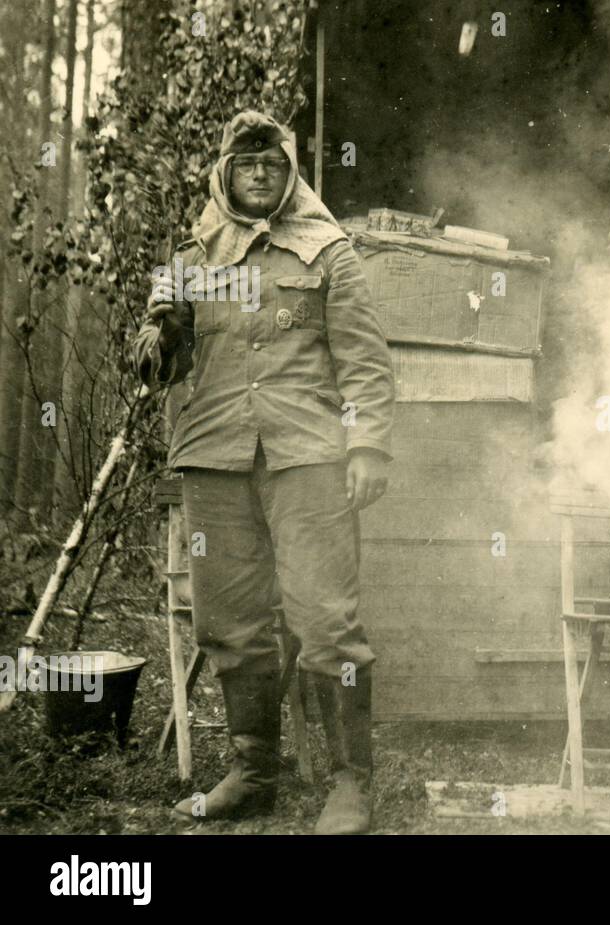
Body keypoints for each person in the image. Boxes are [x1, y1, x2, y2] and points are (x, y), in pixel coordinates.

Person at [134, 111, 396, 834]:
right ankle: (254, 773)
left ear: (290, 174)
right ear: (224, 173)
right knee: (229, 621)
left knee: (326, 620)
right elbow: (155, 358)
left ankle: (350, 782)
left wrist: (367, 443)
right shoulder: (188, 259)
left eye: (271, 164)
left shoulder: (331, 254)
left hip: (307, 457)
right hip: (214, 457)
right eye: (245, 164)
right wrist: (161, 333)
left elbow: (366, 363)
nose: (258, 174)